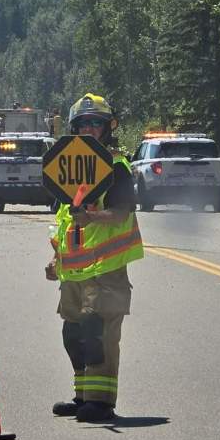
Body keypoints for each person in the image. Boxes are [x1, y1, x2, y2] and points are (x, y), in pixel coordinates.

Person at [44, 93, 143, 422]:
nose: (89, 129)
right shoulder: (69, 170)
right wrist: (56, 262)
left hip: (107, 270)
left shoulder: (115, 167)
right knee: (73, 335)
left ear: (108, 128)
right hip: (74, 274)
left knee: (99, 334)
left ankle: (101, 402)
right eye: (83, 123)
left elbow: (121, 213)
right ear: (74, 128)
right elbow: (65, 224)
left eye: (96, 123)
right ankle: (83, 395)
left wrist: (93, 219)